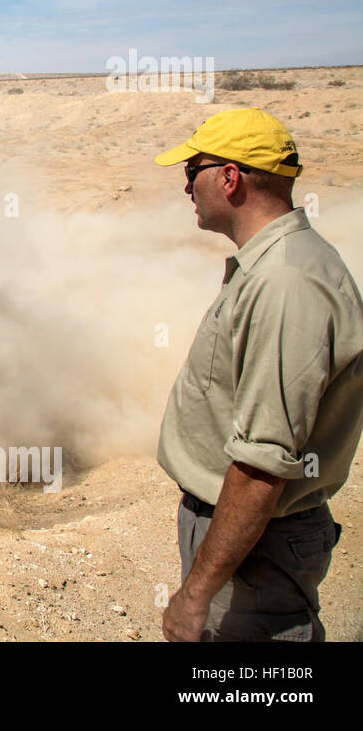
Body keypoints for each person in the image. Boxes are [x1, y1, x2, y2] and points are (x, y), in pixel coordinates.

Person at [154, 107, 363, 641]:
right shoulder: (271, 266)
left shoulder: (288, 282)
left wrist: (196, 594)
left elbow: (263, 462)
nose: (185, 187)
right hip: (241, 535)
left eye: (191, 171)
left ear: (229, 177)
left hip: (257, 547)